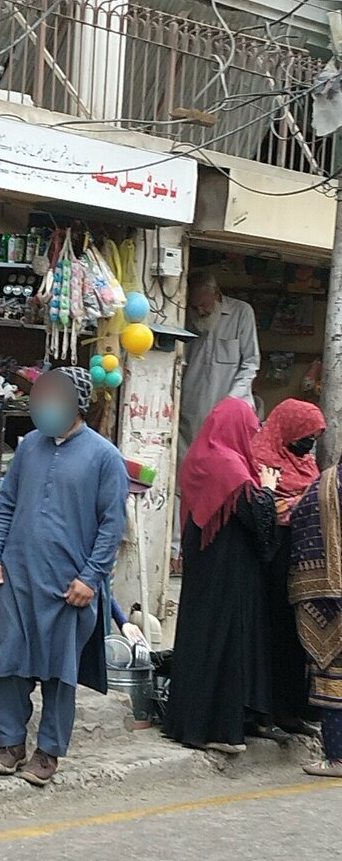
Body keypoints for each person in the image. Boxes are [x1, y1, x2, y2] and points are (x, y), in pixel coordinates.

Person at [0, 366, 128, 786]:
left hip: (69, 586)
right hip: (18, 576)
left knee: (59, 671)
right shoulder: (29, 447)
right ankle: (9, 744)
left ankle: (48, 752)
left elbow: (111, 525)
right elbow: (7, 503)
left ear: (78, 404)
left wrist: (91, 577)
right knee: (9, 663)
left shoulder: (105, 457)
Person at [163, 397, 281, 753]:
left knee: (199, 642)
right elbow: (257, 518)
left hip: (202, 570)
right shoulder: (231, 467)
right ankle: (217, 729)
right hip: (229, 573)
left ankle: (188, 723)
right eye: (250, 427)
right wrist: (269, 491)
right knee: (223, 645)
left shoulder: (199, 458)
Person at [171, 271, 261, 572]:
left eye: (203, 305)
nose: (200, 311)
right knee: (184, 478)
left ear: (216, 294)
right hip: (190, 414)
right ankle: (178, 549)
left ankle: (217, 551)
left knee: (228, 484)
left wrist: (230, 406)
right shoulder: (187, 315)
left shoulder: (240, 313)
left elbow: (250, 364)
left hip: (228, 421)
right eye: (195, 306)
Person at [252, 399, 326, 733]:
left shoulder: (307, 463)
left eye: (314, 436)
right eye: (305, 434)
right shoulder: (262, 459)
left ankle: (295, 710)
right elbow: (266, 507)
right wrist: (302, 504)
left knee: (299, 637)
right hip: (271, 561)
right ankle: (270, 711)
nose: (308, 443)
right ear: (288, 429)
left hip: (305, 562)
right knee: (273, 634)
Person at [289, 463, 342, 777]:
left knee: (332, 680)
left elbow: (300, 520)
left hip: (327, 599)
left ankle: (337, 757)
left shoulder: (323, 486)